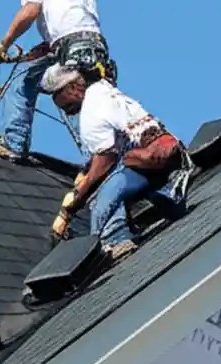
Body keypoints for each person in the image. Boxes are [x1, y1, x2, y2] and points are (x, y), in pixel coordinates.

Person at [42, 66, 188, 254]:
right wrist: (85, 173)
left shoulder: (90, 112)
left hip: (145, 160)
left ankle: (115, 240)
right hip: (170, 153)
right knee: (141, 182)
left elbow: (105, 162)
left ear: (71, 88)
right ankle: (172, 201)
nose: (62, 109)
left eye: (59, 99)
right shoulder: (102, 90)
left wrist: (73, 204)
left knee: (101, 198)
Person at [0, 0, 114, 162]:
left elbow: (30, 11)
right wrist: (42, 49)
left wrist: (4, 44)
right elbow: (73, 25)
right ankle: (99, 157)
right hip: (93, 47)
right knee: (79, 96)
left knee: (26, 80)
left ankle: (14, 144)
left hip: (72, 48)